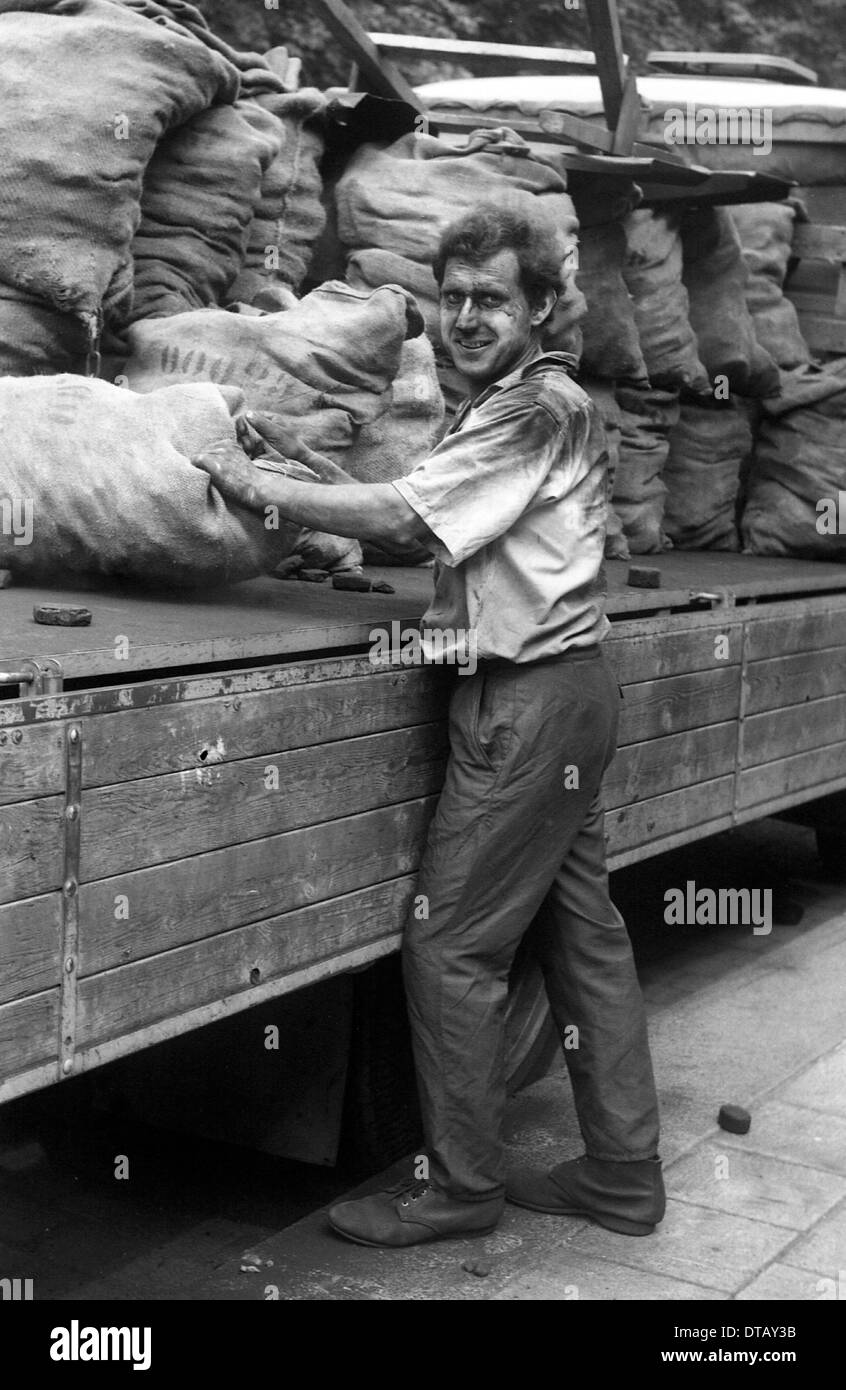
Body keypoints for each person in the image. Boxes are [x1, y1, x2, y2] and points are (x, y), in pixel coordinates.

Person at [194, 199, 664, 1249]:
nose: (463, 317)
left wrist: (253, 483)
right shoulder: (512, 406)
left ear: (542, 305)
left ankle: (459, 1185)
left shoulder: (535, 410)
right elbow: (430, 508)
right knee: (584, 938)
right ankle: (625, 1174)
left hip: (527, 703)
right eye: (450, 298)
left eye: (489, 298)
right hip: (567, 692)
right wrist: (307, 473)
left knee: (449, 944)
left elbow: (408, 519)